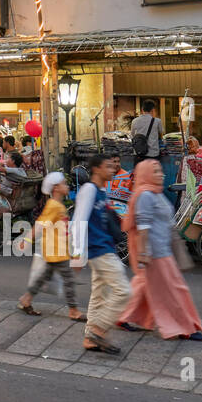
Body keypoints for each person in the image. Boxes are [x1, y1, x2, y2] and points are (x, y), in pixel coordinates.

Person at [117, 160, 202, 341]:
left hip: (162, 250)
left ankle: (124, 317)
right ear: (145, 174)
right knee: (175, 291)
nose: (161, 174)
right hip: (155, 254)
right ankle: (185, 328)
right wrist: (144, 253)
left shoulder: (155, 193)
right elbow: (143, 226)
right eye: (156, 171)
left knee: (144, 286)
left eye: (160, 171)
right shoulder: (145, 195)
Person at [71, 152, 131, 355]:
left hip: (104, 248)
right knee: (123, 291)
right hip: (98, 250)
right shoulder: (89, 189)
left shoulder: (101, 190)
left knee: (99, 295)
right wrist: (77, 253)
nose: (112, 169)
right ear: (96, 169)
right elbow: (79, 220)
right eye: (107, 166)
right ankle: (99, 330)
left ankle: (90, 337)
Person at [19, 172, 85, 322]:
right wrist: (28, 239)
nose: (67, 186)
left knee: (43, 277)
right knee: (68, 279)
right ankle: (73, 310)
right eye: (64, 183)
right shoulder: (53, 205)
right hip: (56, 251)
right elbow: (41, 224)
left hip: (57, 250)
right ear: (56, 188)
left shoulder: (58, 205)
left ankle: (26, 299)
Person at [131, 99, 162, 164]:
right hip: (153, 154)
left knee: (139, 174)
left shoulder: (134, 121)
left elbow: (133, 135)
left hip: (138, 153)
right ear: (153, 110)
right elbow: (161, 133)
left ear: (142, 109)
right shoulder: (157, 121)